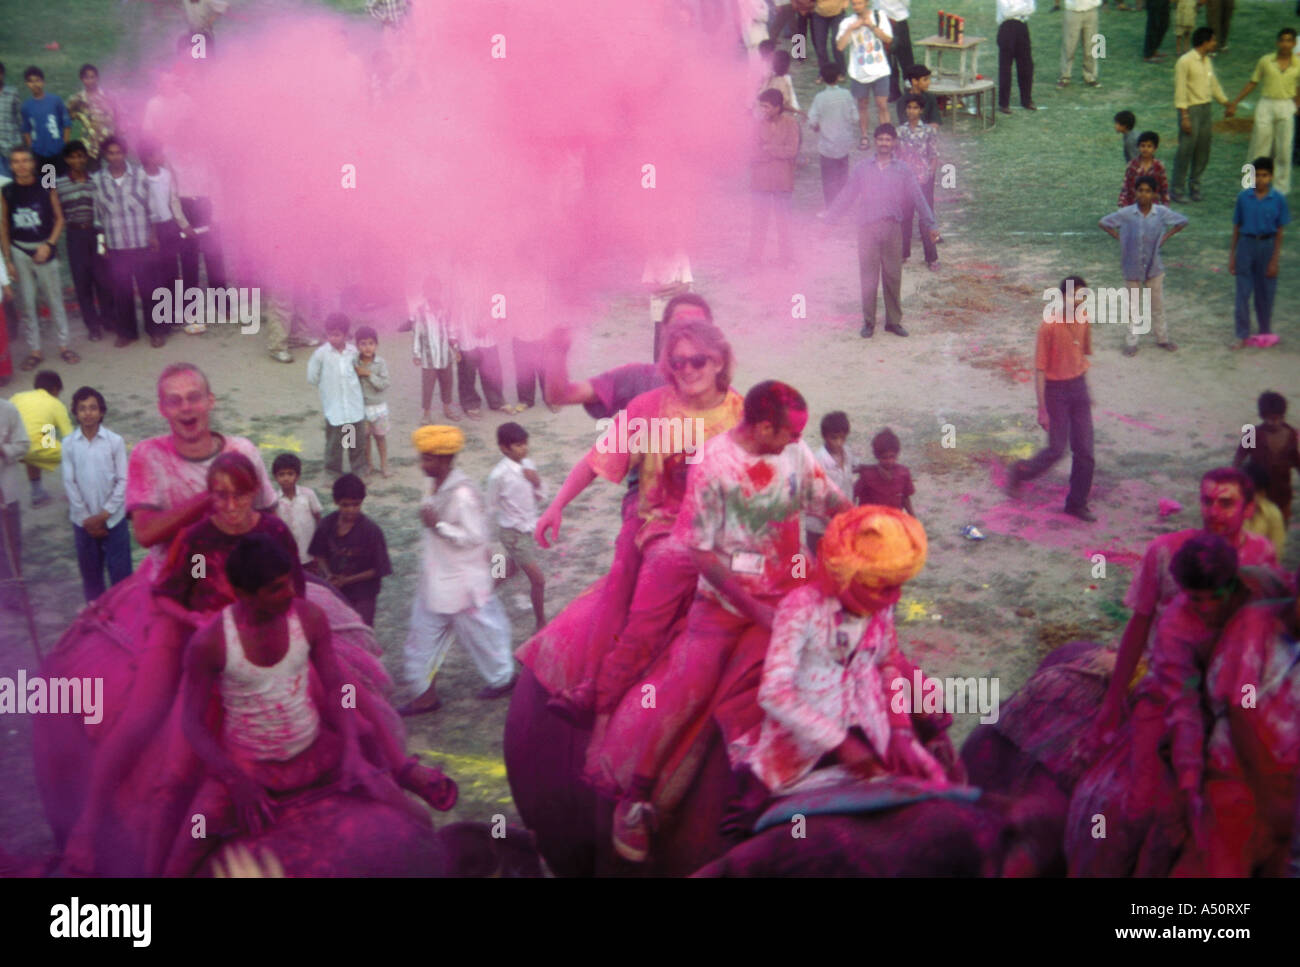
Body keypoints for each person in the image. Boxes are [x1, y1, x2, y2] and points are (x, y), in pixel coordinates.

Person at [609, 381, 851, 861]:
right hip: (723, 602)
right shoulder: (713, 463)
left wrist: (870, 524)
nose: (795, 442)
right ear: (763, 426)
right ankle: (636, 796)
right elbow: (701, 550)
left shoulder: (795, 452)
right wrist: (753, 607)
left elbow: (833, 504)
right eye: (788, 432)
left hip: (792, 593)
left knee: (856, 653)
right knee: (686, 686)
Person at [163, 530, 446, 875]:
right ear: (244, 595)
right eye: (276, 589)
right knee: (184, 852)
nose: (291, 594)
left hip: (318, 755)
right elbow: (192, 723)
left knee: (415, 816)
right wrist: (234, 779)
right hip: (249, 766)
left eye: (288, 583)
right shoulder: (210, 644)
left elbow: (336, 686)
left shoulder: (310, 618)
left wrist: (353, 751)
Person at [530, 318, 743, 725]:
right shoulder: (648, 408)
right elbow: (598, 460)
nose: (687, 370)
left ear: (719, 361)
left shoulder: (742, 414)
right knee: (651, 602)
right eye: (677, 363)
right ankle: (602, 692)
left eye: (697, 360)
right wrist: (556, 504)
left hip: (727, 533)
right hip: (666, 531)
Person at [746, 506, 943, 797]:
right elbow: (773, 693)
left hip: (875, 733)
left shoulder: (881, 607)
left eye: (897, 587)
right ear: (849, 576)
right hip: (803, 749)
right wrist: (840, 743)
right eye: (884, 587)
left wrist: (901, 730)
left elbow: (888, 663)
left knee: (940, 788)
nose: (893, 598)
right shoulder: (801, 607)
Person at [1093, 466, 1280, 737]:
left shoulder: (1261, 553)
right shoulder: (1164, 550)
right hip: (1168, 675)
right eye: (1207, 502)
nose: (1213, 513)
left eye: (1226, 503)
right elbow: (1140, 623)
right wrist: (1112, 700)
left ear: (1249, 509)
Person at [399, 425, 516, 715]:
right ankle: (424, 696)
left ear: (446, 459)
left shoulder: (462, 493)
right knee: (419, 643)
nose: (423, 464)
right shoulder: (434, 484)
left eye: (429, 459)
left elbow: (475, 536)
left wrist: (438, 526)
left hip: (462, 585)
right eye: (422, 457)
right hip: (436, 582)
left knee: (486, 636)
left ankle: (503, 680)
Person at [824, 123, 938, 338]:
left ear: (894, 143)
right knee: (868, 276)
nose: (884, 143)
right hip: (866, 228)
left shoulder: (903, 170)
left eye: (888, 139)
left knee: (893, 275)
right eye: (880, 139)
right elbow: (847, 196)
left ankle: (893, 322)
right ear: (875, 142)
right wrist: (829, 220)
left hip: (893, 228)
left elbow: (918, 197)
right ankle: (868, 322)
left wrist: (931, 224)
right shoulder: (862, 168)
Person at [1006, 276, 1096, 523]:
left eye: (1082, 296)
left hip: (1078, 388)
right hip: (1056, 392)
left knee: (1085, 451)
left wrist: (1085, 392)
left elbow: (1080, 354)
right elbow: (1040, 370)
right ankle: (1021, 471)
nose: (1078, 301)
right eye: (1073, 295)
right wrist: (1042, 409)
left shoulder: (1084, 318)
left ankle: (1077, 503)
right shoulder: (1048, 327)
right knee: (1057, 449)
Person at [2, 147, 76, 369]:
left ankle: (64, 346)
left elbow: (59, 219)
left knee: (54, 299)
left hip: (44, 248)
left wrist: (50, 244)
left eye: (25, 160)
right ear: (11, 166)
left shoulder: (46, 184)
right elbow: (3, 224)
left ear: (33, 163)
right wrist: (8, 260)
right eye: (16, 161)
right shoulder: (7, 191)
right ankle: (35, 350)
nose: (21, 165)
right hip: (19, 250)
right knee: (28, 302)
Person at [1098, 176, 1189, 355]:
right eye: (1140, 190)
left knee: (1157, 305)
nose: (1144, 194)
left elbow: (1182, 221)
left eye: (1148, 191)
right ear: (1135, 192)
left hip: (1154, 267)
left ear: (1154, 194)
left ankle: (1163, 338)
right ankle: (1132, 341)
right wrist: (1120, 238)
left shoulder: (1161, 212)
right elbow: (1103, 222)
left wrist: (1164, 237)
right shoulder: (1126, 214)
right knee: (1133, 306)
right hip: (1131, 265)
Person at [92, 137, 162, 348]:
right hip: (116, 246)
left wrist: (154, 236)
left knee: (149, 290)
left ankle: (155, 331)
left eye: (118, 152)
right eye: (110, 153)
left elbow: (152, 210)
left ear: (124, 153)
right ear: (105, 155)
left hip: (141, 242)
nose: (115, 157)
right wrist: (102, 243)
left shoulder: (140, 175)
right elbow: (98, 216)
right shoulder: (98, 180)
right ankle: (127, 332)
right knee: (121, 291)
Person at [307, 474, 392, 628]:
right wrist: (328, 575)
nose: (351, 510)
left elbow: (377, 569)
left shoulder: (371, 531)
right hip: (335, 590)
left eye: (356, 504)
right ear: (336, 502)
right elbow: (319, 554)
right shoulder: (326, 525)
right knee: (337, 629)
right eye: (345, 505)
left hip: (363, 593)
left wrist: (346, 580)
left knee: (361, 629)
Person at [487, 421, 547, 632]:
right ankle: (540, 623)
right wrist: (491, 541)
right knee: (538, 580)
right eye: (519, 445)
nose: (524, 448)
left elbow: (540, 496)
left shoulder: (528, 465)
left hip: (526, 530)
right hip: (512, 535)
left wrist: (536, 482)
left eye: (525, 444)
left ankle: (480, 595)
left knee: (507, 570)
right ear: (504, 448)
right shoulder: (498, 476)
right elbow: (490, 507)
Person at [1229, 29, 1299, 197]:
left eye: (1289, 41)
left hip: (1286, 105)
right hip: (1266, 104)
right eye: (1282, 40)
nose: (1285, 44)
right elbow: (1253, 82)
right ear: (1277, 42)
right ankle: (1249, 184)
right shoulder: (1266, 61)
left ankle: (1281, 188)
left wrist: (1297, 104)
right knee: (1259, 146)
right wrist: (1235, 102)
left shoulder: (1298, 64)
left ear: (1294, 44)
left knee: (1284, 148)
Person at [1228, 157, 1289, 348]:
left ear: (1270, 176)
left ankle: (1264, 331)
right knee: (1243, 293)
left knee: (1266, 292)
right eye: (1257, 175)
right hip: (1246, 246)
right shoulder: (1243, 197)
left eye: (1264, 175)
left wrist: (1275, 260)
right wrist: (1232, 256)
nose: (1260, 179)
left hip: (1267, 246)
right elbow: (1237, 227)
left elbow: (1280, 231)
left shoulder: (1278, 199)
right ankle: (1242, 334)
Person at [1170, 27, 1235, 203]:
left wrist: (1225, 102)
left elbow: (1213, 84)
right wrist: (1184, 116)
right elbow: (1180, 89)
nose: (1215, 44)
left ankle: (1195, 187)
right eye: (1213, 41)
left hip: (1206, 109)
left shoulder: (1207, 61)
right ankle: (1177, 189)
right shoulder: (1185, 61)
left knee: (1202, 151)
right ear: (1205, 42)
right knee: (1185, 150)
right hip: (1191, 110)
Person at [56, 141, 112, 341]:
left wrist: (104, 238)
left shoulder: (95, 181)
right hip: (75, 236)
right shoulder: (58, 184)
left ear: (86, 158)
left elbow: (103, 210)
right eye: (73, 156)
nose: (77, 160)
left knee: (103, 279)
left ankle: (108, 319)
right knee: (82, 282)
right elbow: (55, 212)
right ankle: (93, 326)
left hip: (96, 233)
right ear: (67, 159)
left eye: (81, 156)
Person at [139, 140, 195, 327]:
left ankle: (172, 313)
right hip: (148, 230)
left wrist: (184, 224)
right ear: (148, 158)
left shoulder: (166, 175)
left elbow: (174, 202)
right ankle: (160, 316)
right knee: (155, 273)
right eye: (158, 154)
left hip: (168, 227)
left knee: (171, 272)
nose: (162, 157)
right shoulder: (138, 177)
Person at [307, 314, 369, 476]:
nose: (332, 339)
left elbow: (362, 372)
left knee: (354, 441)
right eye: (329, 335)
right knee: (335, 442)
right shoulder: (321, 354)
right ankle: (333, 471)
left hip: (353, 405)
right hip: (334, 407)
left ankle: (358, 468)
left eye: (337, 335)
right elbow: (312, 376)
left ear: (345, 334)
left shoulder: (354, 352)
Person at [747, 89, 799, 265]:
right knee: (758, 224)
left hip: (783, 181)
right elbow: (751, 153)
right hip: (760, 182)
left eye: (766, 107)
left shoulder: (791, 123)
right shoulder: (755, 125)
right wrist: (777, 151)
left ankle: (788, 259)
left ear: (777, 107)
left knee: (784, 224)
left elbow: (792, 151)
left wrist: (769, 149)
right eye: (761, 106)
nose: (763, 110)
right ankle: (754, 260)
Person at [1233, 390, 1300, 524]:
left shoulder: (1291, 434)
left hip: (1282, 493)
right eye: (1268, 418)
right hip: (1258, 493)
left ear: (1282, 416)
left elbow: (1296, 459)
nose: (1272, 422)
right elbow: (1239, 457)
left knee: (1280, 526)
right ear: (1262, 416)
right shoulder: (1251, 433)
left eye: (1276, 418)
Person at [11, 369, 72, 508]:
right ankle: (74, 492)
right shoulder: (56, 404)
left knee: (33, 445)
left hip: (11, 447)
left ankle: (37, 493)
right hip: (32, 445)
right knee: (76, 453)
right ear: (55, 389)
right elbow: (70, 438)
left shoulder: (18, 396)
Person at [836, 0, 893, 147]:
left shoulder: (879, 15)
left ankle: (886, 137)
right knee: (862, 105)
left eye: (860, 3)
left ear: (867, 3)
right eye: (854, 4)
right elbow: (840, 47)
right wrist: (850, 29)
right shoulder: (847, 22)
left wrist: (872, 26)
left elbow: (888, 39)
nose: (857, 7)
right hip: (858, 72)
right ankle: (864, 136)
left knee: (882, 105)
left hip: (880, 70)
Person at [410, 275, 462, 423]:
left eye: (436, 290)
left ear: (440, 291)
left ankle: (447, 408)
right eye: (430, 290)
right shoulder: (420, 311)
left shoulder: (446, 309)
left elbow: (451, 329)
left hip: (445, 355)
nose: (433, 293)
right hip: (429, 357)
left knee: (447, 383)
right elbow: (417, 333)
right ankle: (426, 413)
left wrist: (456, 349)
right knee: (428, 386)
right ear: (425, 292)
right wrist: (416, 354)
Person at [897, 94, 940, 269]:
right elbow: (896, 156)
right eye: (909, 107)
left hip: (924, 180)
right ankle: (902, 253)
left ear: (921, 110)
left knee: (926, 219)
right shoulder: (900, 131)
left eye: (915, 108)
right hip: (905, 182)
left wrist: (929, 175)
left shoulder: (929, 131)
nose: (911, 111)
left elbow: (934, 155)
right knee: (904, 217)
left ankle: (932, 258)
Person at [806, 410, 858, 555]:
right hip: (820, 524)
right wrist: (828, 517)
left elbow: (854, 468)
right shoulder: (819, 460)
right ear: (824, 436)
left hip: (841, 519)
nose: (838, 442)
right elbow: (815, 496)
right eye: (834, 438)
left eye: (842, 438)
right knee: (817, 557)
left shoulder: (847, 453)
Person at [808, 63, 860, 207]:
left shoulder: (820, 98)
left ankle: (830, 209)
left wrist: (817, 126)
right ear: (839, 77)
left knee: (829, 180)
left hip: (827, 147)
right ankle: (841, 208)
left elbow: (813, 121)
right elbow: (855, 117)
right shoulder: (846, 95)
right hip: (844, 144)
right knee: (842, 178)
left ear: (822, 79)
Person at [0, 397, 30, 603]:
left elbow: (24, 444)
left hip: (6, 492)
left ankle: (13, 593)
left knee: (11, 544)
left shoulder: (8, 409)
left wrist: (3, 450)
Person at [354, 325, 391, 478]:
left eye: (370, 343)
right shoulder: (354, 363)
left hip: (379, 409)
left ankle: (384, 465)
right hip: (361, 409)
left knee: (380, 437)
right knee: (365, 439)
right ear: (357, 345)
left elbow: (384, 384)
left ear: (376, 344)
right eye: (363, 343)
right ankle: (368, 465)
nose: (367, 347)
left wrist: (368, 374)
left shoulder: (380, 363)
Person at [271, 452, 322, 564]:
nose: (286, 478)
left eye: (290, 474)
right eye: (281, 474)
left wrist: (320, 546)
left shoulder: (308, 495)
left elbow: (318, 517)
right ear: (275, 477)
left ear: (297, 476)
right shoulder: (274, 501)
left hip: (310, 551)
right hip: (287, 554)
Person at [19, 68, 71, 177]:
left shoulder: (55, 101)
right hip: (39, 152)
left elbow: (66, 123)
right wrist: (31, 147)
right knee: (47, 183)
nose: (35, 84)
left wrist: (65, 144)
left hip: (58, 149)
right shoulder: (26, 106)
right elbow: (26, 129)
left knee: (61, 180)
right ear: (27, 84)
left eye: (37, 80)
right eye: (31, 81)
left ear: (43, 82)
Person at [65, 65, 118, 167]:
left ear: (97, 78)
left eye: (92, 77)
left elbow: (117, 115)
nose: (90, 81)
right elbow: (66, 117)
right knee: (93, 175)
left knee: (110, 173)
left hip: (109, 143)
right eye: (86, 78)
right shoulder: (77, 99)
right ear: (82, 79)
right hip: (90, 145)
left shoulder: (108, 96)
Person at [854, 426, 916, 513]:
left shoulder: (903, 473)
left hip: (894, 519)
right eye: (884, 458)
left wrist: (912, 517)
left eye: (892, 457)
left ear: (897, 454)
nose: (889, 461)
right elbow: (853, 495)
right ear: (877, 456)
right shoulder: (867, 475)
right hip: (872, 520)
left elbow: (905, 498)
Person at [996, 0, 1037, 114]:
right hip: (1007, 28)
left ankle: (1026, 100)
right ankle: (1004, 103)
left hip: (1022, 27)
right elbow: (1006, 13)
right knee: (1005, 68)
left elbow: (1032, 9)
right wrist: (1023, 7)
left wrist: (1016, 9)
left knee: (1026, 66)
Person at [1239, 461, 1286, 559]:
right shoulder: (1231, 510)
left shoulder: (1273, 513)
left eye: (1251, 492)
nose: (1245, 496)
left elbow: (1276, 552)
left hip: (1261, 569)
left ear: (1262, 493)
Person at [1117, 131, 1170, 206]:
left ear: (1155, 148)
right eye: (1143, 146)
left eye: (1149, 146)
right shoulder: (1132, 165)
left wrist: (1165, 206)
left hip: (1153, 205)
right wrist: (1122, 202)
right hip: (1134, 204)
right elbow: (1126, 186)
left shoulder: (1159, 166)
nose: (1145, 149)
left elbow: (1164, 188)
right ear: (1138, 147)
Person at [1058, 0, 1102, 88]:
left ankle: (1090, 76)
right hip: (1073, 10)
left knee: (1091, 46)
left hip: (1091, 9)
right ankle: (1065, 76)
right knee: (1069, 46)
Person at [878, 0, 914, 104]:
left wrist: (896, 11)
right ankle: (893, 90)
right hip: (882, 20)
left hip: (898, 18)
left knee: (905, 56)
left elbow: (906, 2)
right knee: (888, 56)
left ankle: (910, 87)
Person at [811, 0, 850, 73]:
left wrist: (846, 2)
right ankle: (824, 73)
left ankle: (841, 71)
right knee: (820, 46)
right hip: (820, 14)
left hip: (838, 12)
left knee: (836, 43)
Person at [0, 64, 22, 180]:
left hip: (11, 144)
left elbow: (19, 119)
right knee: (3, 182)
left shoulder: (12, 93)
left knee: (16, 177)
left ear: (2, 75)